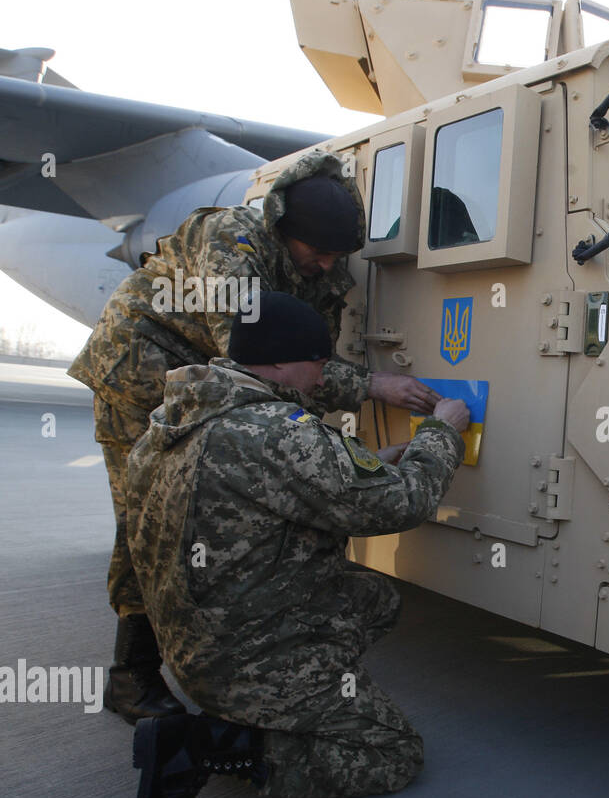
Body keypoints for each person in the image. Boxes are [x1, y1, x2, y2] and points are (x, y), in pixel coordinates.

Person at [67, 148, 441, 724]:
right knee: (152, 518)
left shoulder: (324, 261)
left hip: (219, 380)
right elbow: (251, 352)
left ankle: (221, 652)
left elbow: (306, 362)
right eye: (315, 255)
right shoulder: (230, 247)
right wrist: (373, 385)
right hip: (143, 377)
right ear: (282, 232)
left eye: (335, 257)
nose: (324, 267)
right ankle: (131, 678)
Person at [125, 291, 469, 798]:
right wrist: (442, 433)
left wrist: (375, 462)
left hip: (190, 640)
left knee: (374, 599)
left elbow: (282, 480)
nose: (322, 377)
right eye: (318, 362)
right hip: (242, 653)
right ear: (282, 364)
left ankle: (285, 700)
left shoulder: (183, 415)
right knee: (394, 754)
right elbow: (403, 504)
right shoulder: (281, 430)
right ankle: (209, 743)